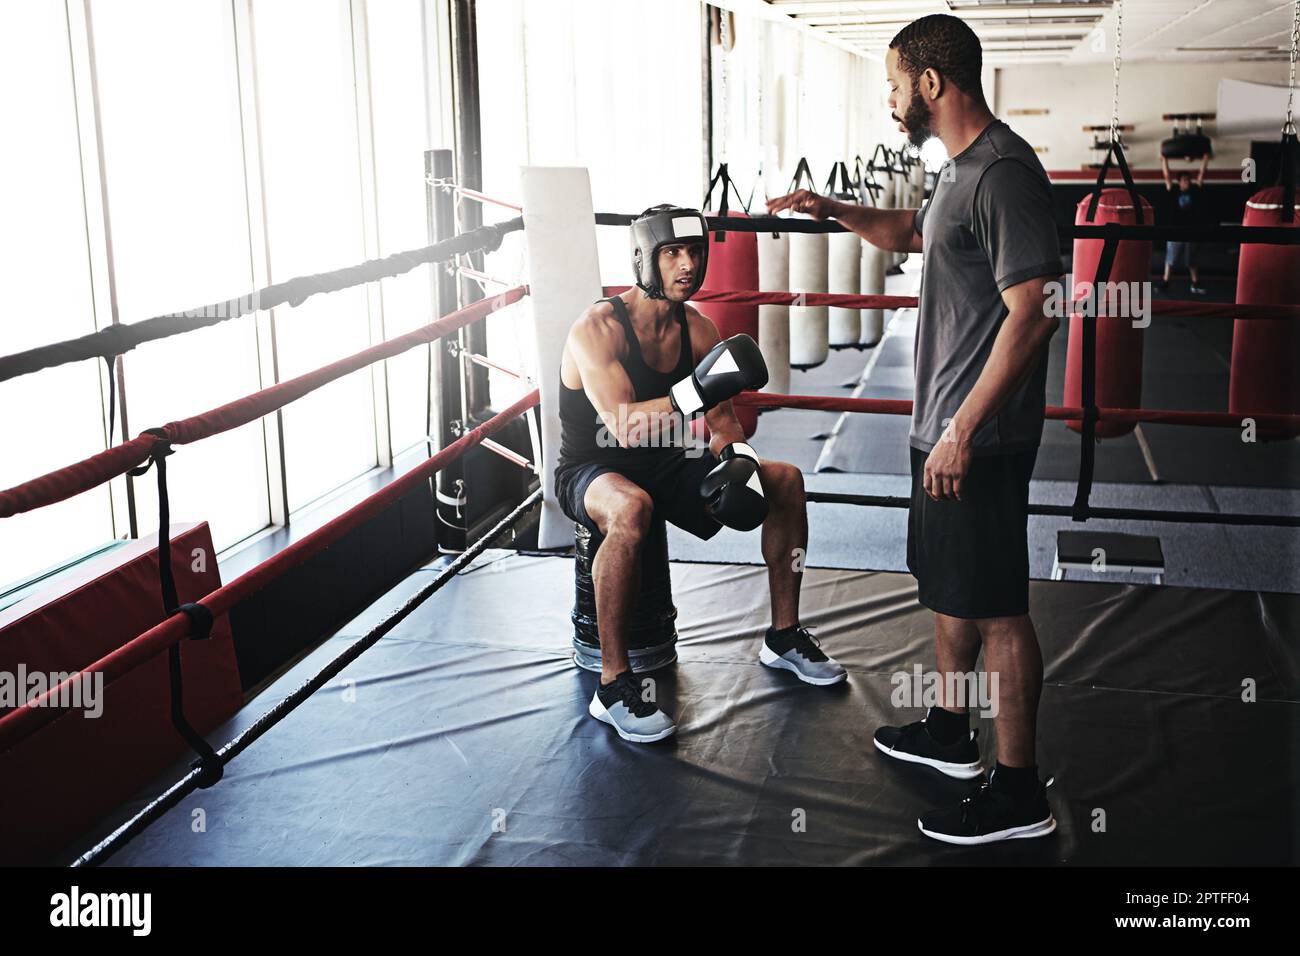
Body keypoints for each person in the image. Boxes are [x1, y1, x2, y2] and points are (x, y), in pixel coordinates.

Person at [769, 14, 1062, 844]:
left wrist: (966, 427)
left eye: (896, 83)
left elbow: (1035, 312)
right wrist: (833, 209)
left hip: (978, 433)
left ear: (932, 84)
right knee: (952, 586)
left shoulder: (1003, 171)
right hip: (942, 425)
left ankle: (1018, 793)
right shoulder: (957, 171)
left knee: (998, 605)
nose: (891, 99)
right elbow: (910, 236)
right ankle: (948, 729)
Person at [553, 204, 847, 744]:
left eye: (695, 252)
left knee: (785, 480)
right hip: (592, 467)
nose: (687, 264)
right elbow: (623, 427)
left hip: (667, 462)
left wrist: (740, 462)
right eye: (672, 253)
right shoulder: (596, 329)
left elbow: (723, 422)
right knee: (631, 507)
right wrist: (694, 390)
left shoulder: (699, 329)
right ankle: (613, 684)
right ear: (644, 259)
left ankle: (784, 635)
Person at [1159, 154, 1209, 294]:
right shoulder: (1173, 190)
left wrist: (1205, 159)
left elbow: (1201, 175)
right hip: (1175, 231)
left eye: (1188, 180)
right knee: (1170, 259)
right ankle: (1166, 281)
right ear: (1180, 182)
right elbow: (1166, 175)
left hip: (1190, 231)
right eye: (1185, 180)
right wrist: (1165, 160)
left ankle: (1195, 283)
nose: (1187, 182)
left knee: (1191, 260)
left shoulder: (1194, 191)